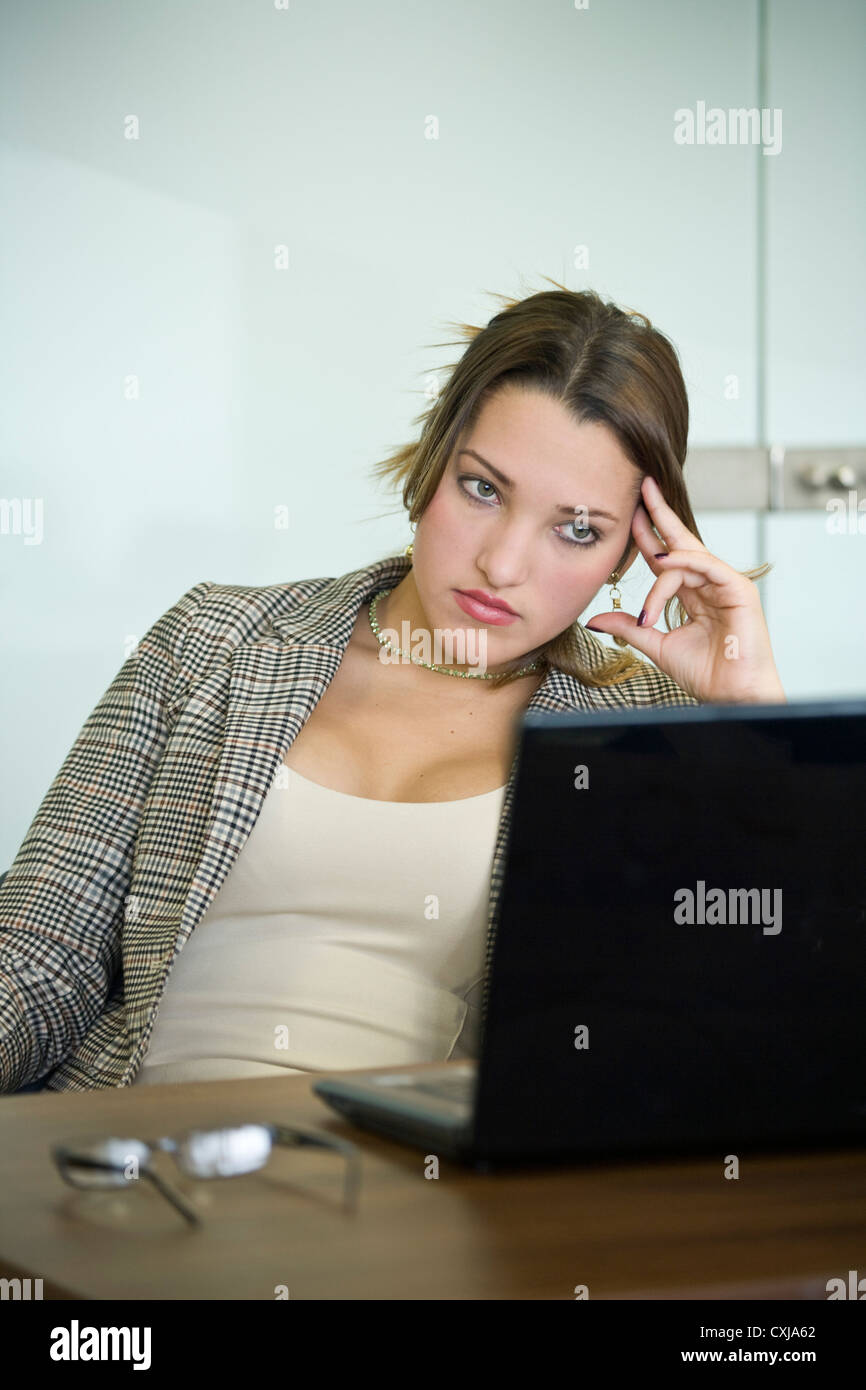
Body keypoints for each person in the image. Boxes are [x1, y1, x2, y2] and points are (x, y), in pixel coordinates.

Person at [0, 281, 785, 1094]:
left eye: (576, 529)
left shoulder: (647, 732)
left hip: (424, 1194)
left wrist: (754, 723)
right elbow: (34, 960)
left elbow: (749, 1014)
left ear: (632, 552)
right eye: (484, 488)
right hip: (134, 1165)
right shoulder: (215, 641)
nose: (503, 565)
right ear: (433, 462)